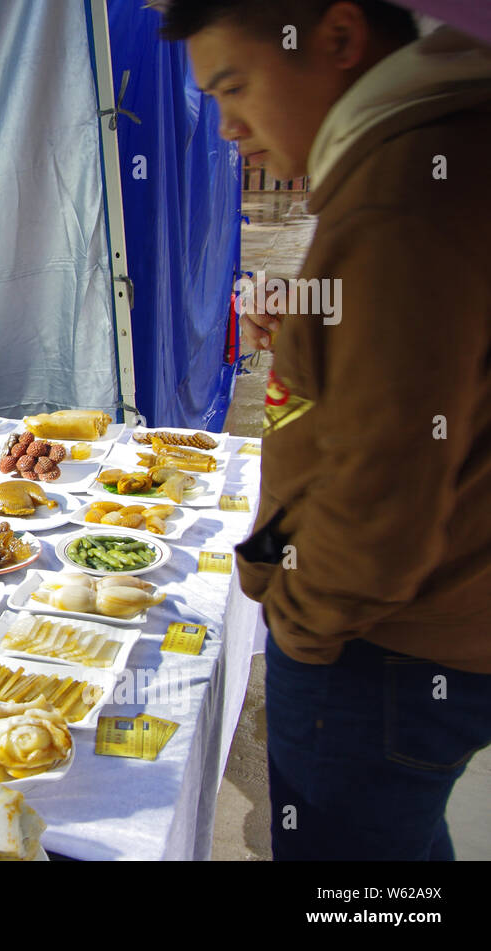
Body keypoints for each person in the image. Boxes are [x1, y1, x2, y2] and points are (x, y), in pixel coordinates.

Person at [159, 0, 491, 860]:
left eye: (235, 85)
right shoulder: (420, 151)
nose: (227, 126)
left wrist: (303, 631)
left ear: (338, 38)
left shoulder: (405, 182)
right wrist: (307, 333)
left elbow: (386, 482)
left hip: (383, 649)